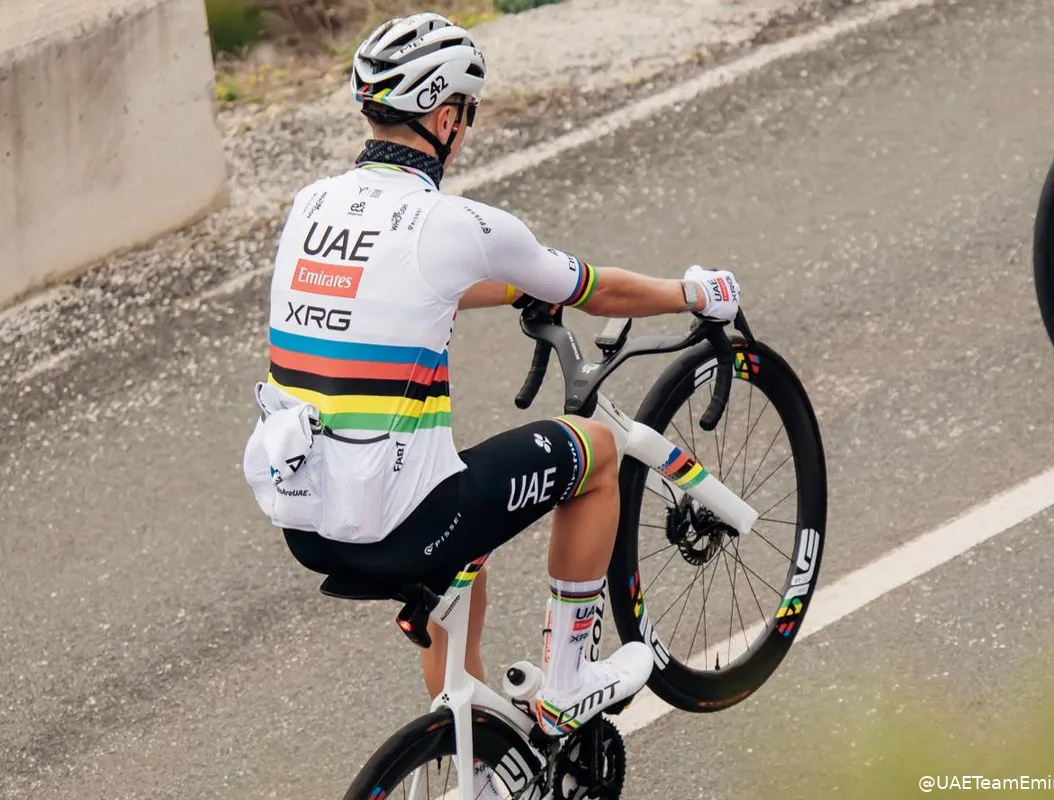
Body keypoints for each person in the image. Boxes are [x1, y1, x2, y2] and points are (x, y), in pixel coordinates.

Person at [242, 9, 742, 761]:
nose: (466, 128)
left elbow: (403, 284)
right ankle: (569, 682)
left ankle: (473, 743)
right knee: (596, 453)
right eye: (466, 113)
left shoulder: (311, 206)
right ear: (444, 115)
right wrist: (697, 294)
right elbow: (596, 292)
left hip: (307, 524)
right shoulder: (462, 224)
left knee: (467, 502)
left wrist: (510, 291)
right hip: (397, 522)